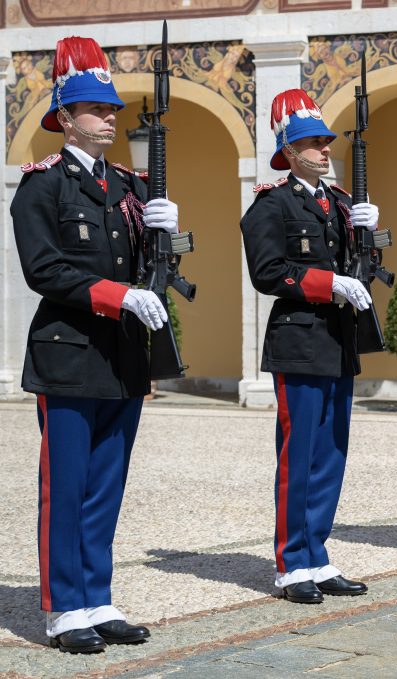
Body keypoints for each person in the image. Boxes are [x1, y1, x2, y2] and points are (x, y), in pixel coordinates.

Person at [10, 36, 178, 653]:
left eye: (112, 111)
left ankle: (97, 596)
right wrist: (118, 294)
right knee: (68, 483)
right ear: (65, 118)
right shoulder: (42, 187)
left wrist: (166, 235)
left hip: (123, 355)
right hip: (69, 352)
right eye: (96, 110)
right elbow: (45, 271)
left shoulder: (130, 187)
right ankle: (62, 608)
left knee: (108, 482)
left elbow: (153, 266)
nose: (110, 118)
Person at [241, 89, 379, 603]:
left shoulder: (341, 204)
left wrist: (369, 235)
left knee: (331, 453)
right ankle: (291, 563)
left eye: (325, 141)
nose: (325, 149)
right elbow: (268, 272)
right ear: (289, 150)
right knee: (299, 455)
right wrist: (328, 283)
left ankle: (317, 554)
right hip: (298, 340)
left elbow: (361, 270)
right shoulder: (271, 204)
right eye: (313, 143)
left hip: (338, 342)